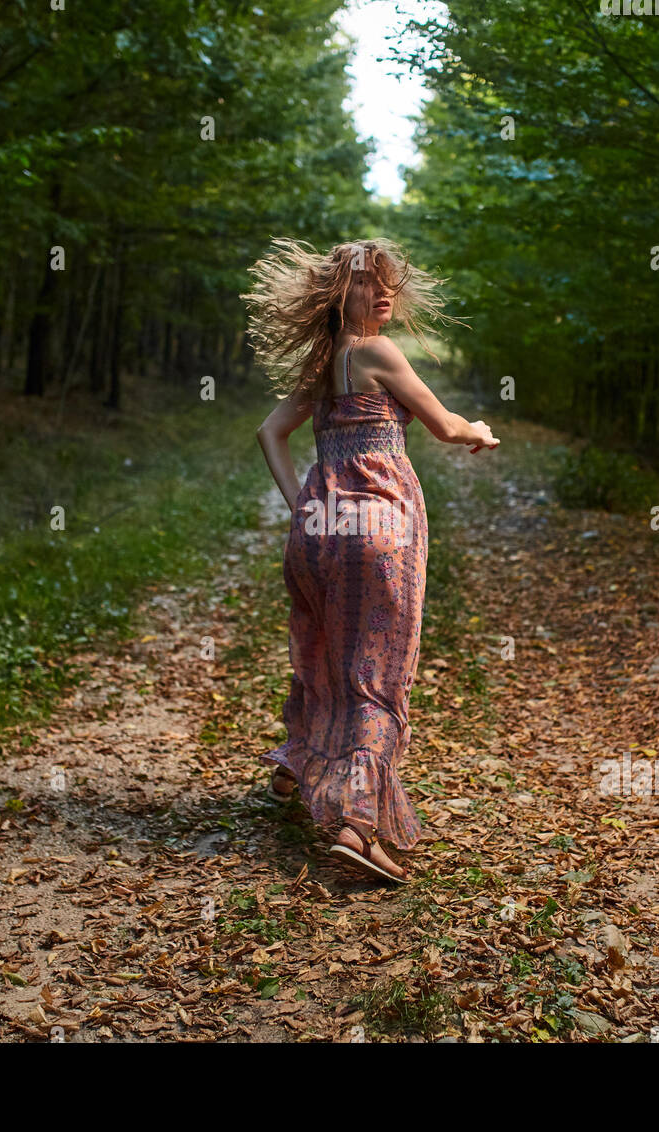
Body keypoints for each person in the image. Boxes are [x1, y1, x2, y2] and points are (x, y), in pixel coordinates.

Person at [242, 237, 499, 884]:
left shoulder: (323, 362)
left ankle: (293, 765)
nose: (383, 292)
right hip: (379, 529)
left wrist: (298, 498)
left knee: (324, 649)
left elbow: (269, 432)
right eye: (367, 283)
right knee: (378, 672)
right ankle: (358, 825)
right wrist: (480, 431)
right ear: (339, 295)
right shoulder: (378, 351)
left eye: (388, 283)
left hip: (318, 530)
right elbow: (443, 426)